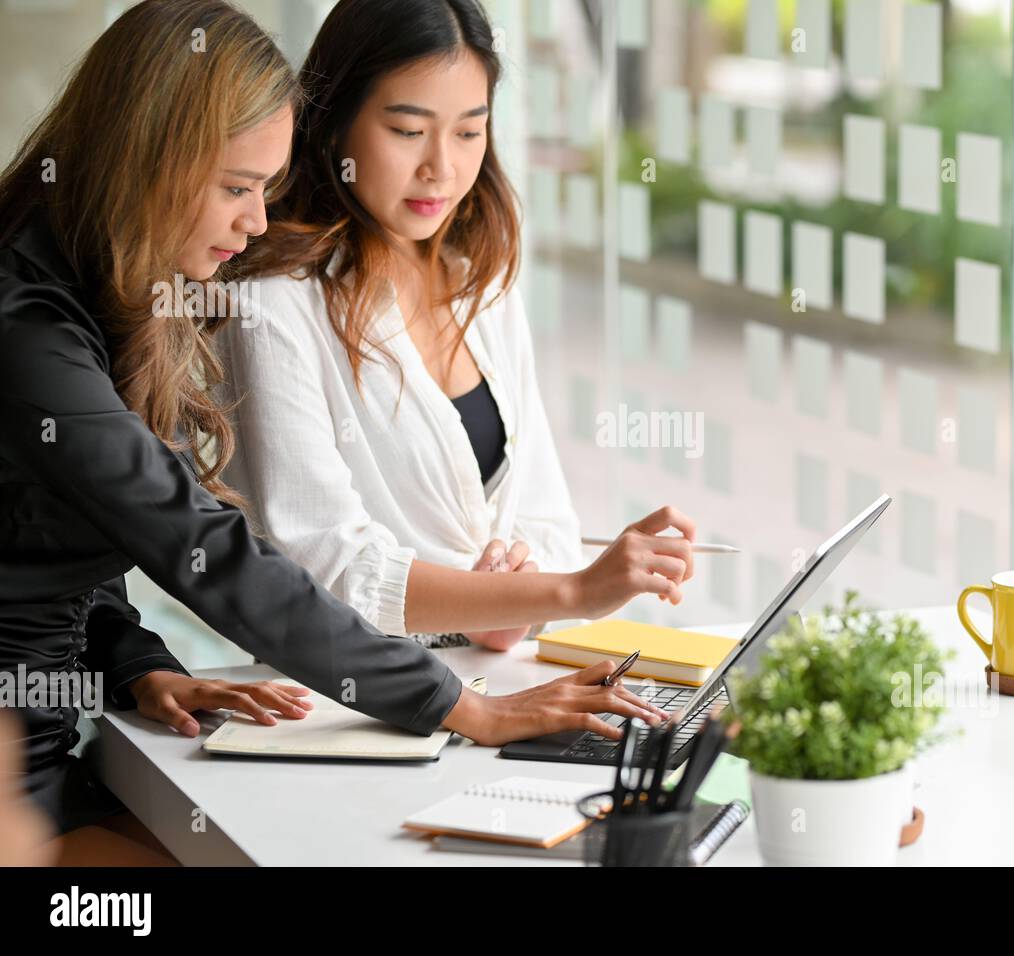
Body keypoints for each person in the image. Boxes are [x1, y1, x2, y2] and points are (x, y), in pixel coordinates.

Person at [0, 0, 672, 864]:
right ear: (145, 162)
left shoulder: (95, 289)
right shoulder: (27, 330)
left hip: (54, 749)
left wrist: (136, 664)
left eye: (265, 192)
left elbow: (54, 544)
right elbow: (201, 543)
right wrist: (468, 707)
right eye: (236, 189)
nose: (252, 224)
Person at [221, 0, 689, 653]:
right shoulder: (274, 307)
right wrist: (556, 593)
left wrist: (513, 593)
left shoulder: (482, 285)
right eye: (408, 131)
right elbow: (325, 566)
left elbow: (548, 521)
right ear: (333, 124)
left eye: (469, 132)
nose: (441, 166)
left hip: (495, 683)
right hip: (346, 704)